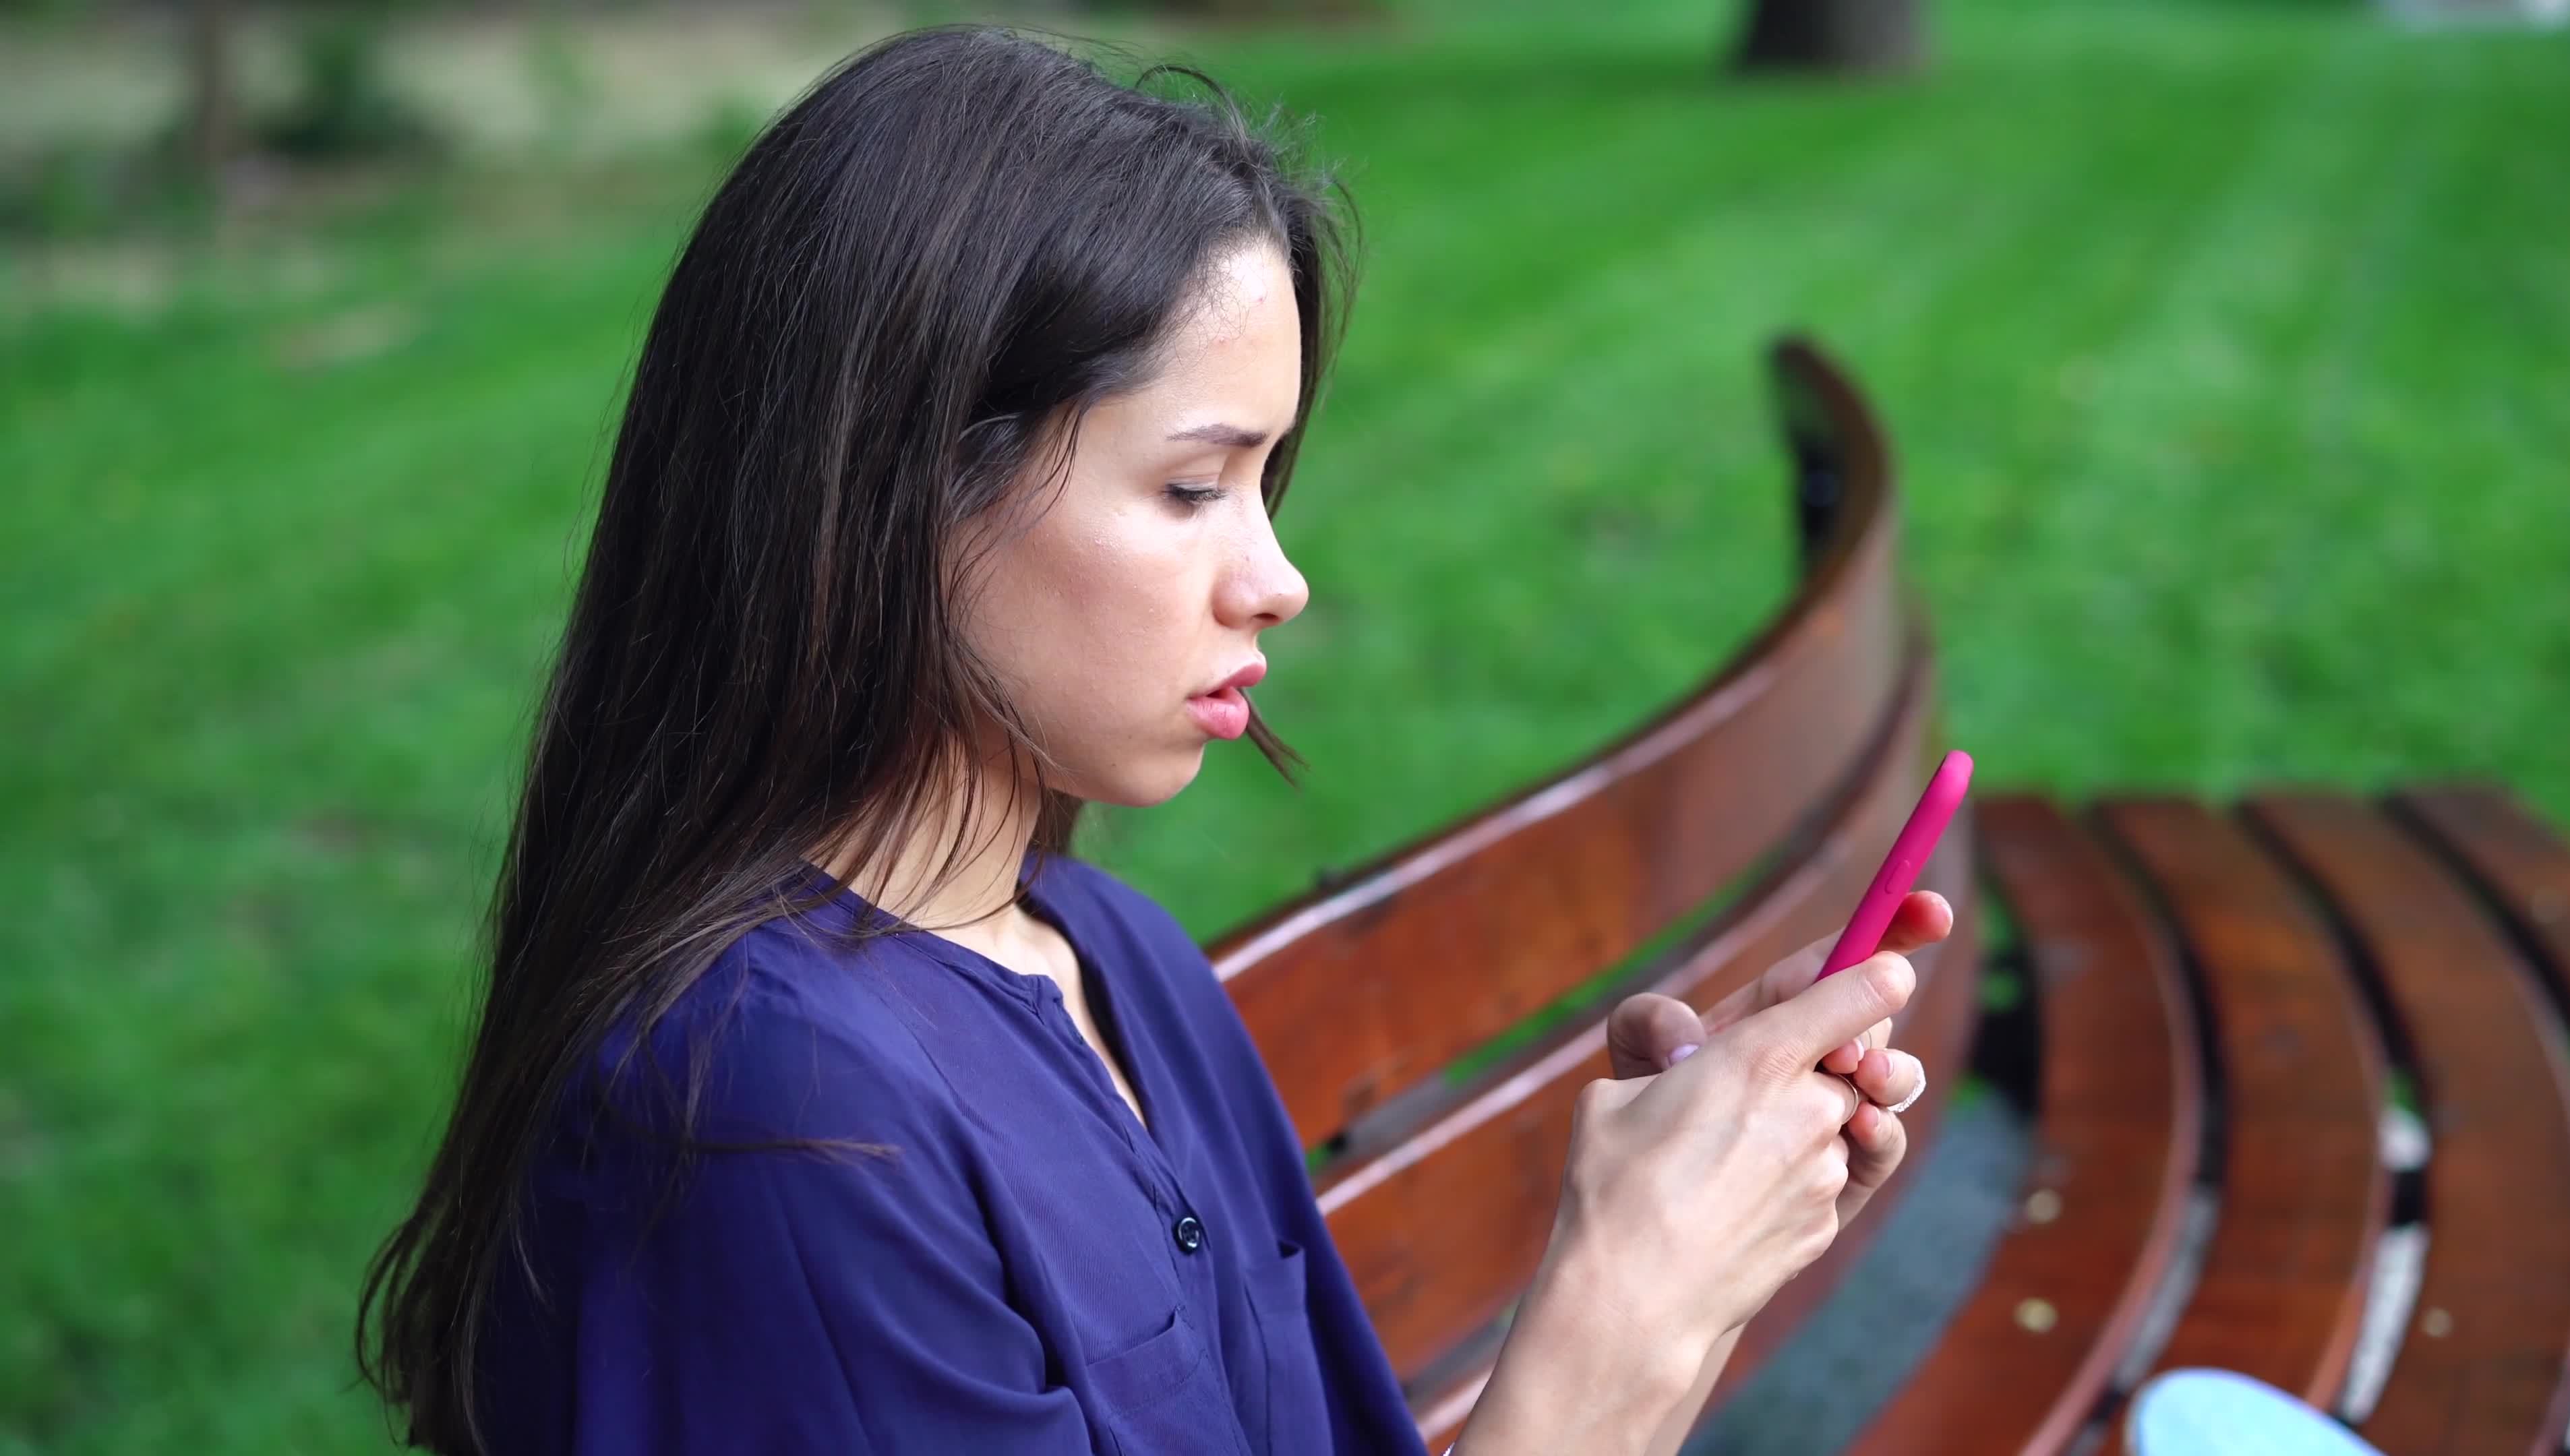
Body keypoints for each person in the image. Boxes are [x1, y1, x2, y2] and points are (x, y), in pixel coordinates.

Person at [353, 25, 1944, 1456]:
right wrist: (1619, 1310)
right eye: (1193, 488)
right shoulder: (774, 1128)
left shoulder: (1114, 960)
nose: (1279, 578)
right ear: (894, 492)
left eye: (1266, 484)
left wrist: (1694, 1261)